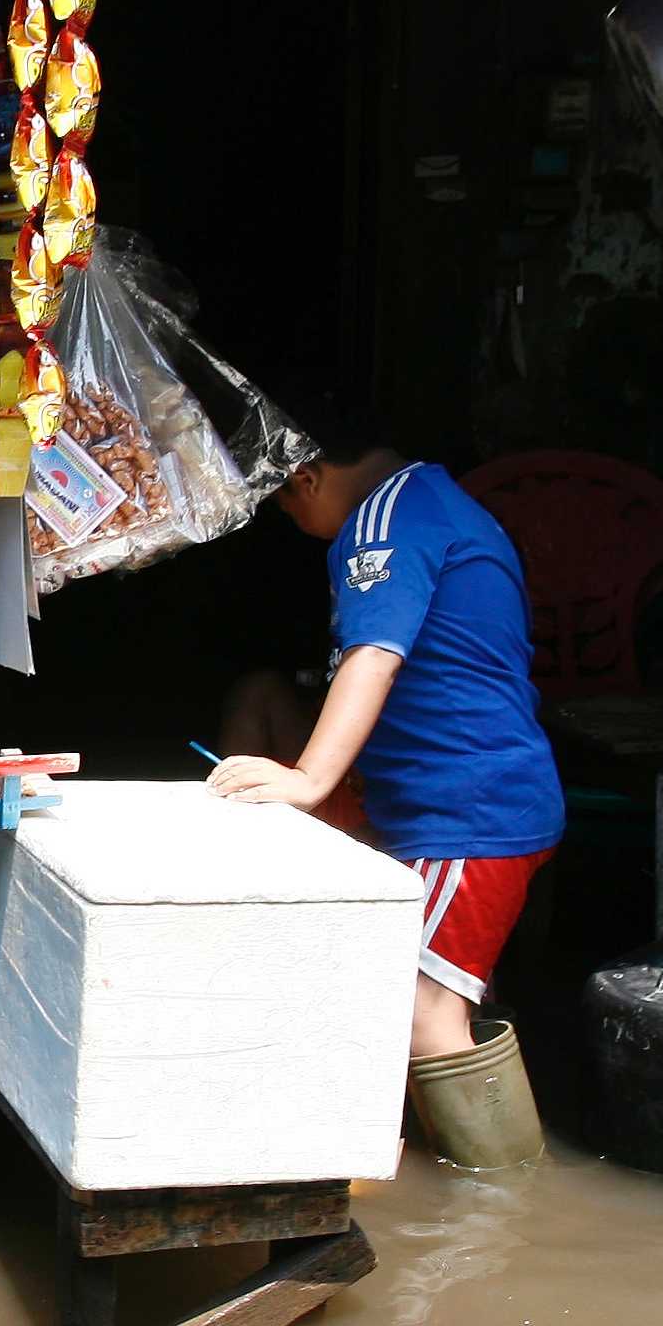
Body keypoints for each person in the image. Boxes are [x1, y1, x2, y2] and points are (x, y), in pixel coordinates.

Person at [209, 399, 563, 1172]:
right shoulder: (430, 499)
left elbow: (374, 654)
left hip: (465, 812)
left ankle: (501, 1213)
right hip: (457, 801)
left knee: (421, 1017)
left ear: (303, 478)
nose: (285, 519)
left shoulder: (383, 522)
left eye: (276, 502)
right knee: (442, 1001)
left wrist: (306, 780)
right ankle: (422, 1159)